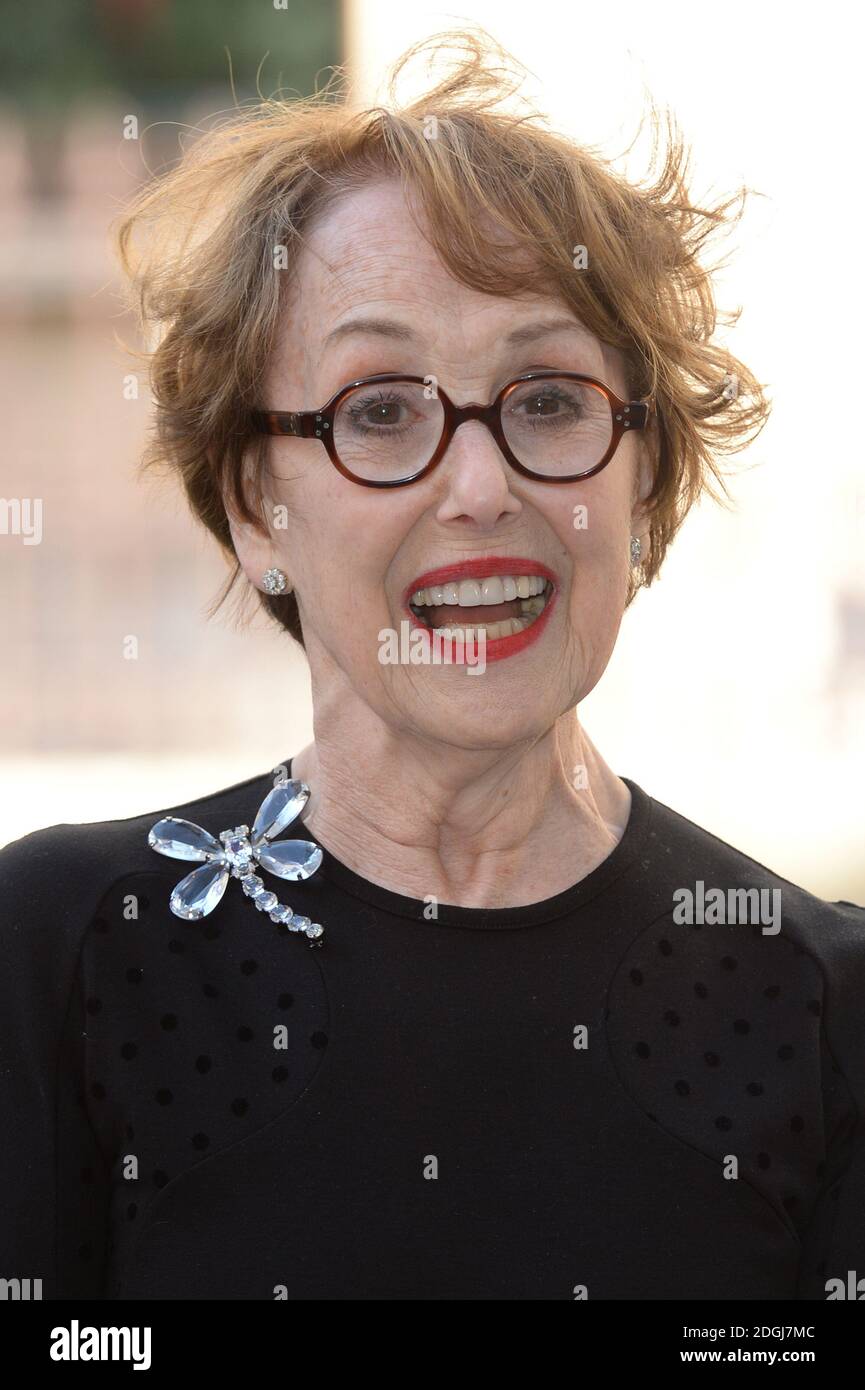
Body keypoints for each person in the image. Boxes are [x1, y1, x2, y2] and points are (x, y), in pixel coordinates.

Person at [1, 31, 863, 1301]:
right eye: (382, 410)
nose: (479, 486)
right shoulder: (61, 956)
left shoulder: (823, 1010)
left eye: (549, 398)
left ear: (645, 479)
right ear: (256, 506)